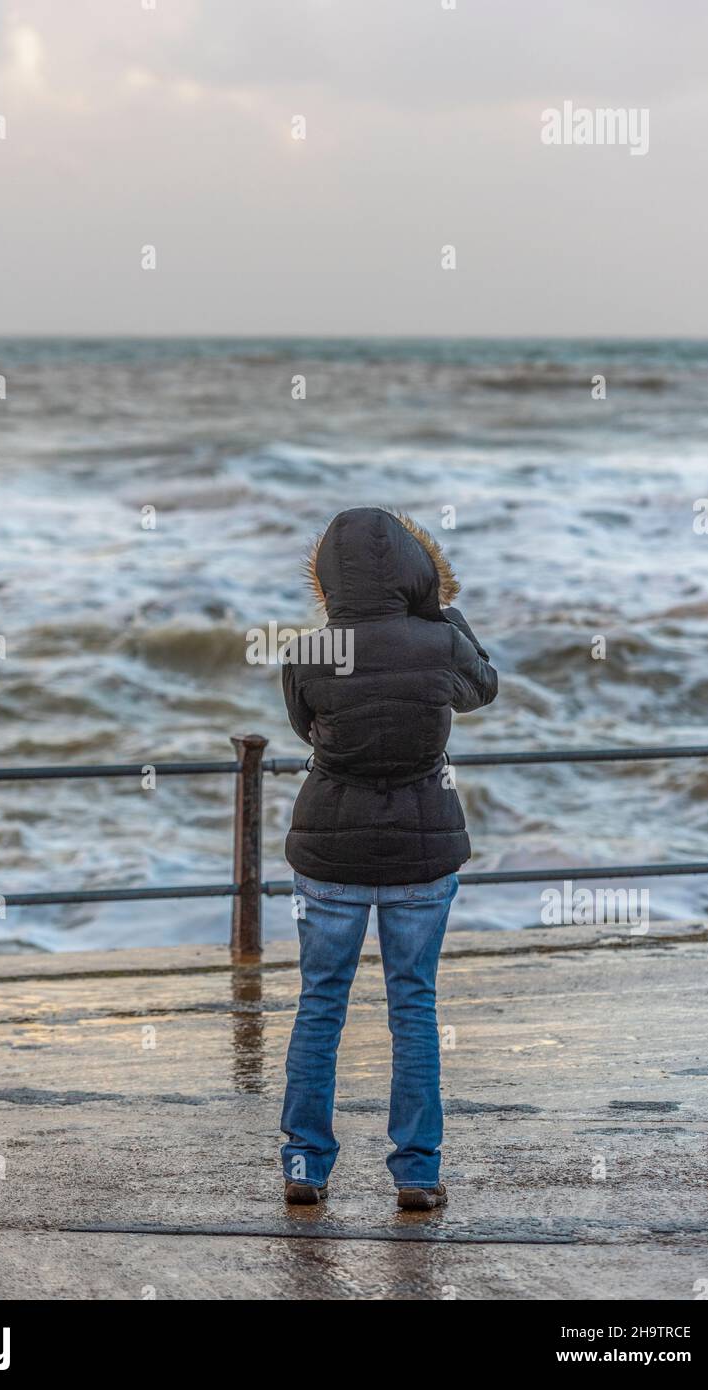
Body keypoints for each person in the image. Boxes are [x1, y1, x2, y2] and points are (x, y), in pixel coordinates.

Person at [279, 507, 498, 1210]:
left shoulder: (309, 652)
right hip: (423, 848)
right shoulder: (438, 643)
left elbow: (307, 727)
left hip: (327, 846)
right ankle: (416, 1172)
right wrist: (447, 617)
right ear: (415, 570)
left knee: (320, 1004)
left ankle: (306, 1165)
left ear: (329, 576)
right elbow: (483, 688)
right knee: (413, 1007)